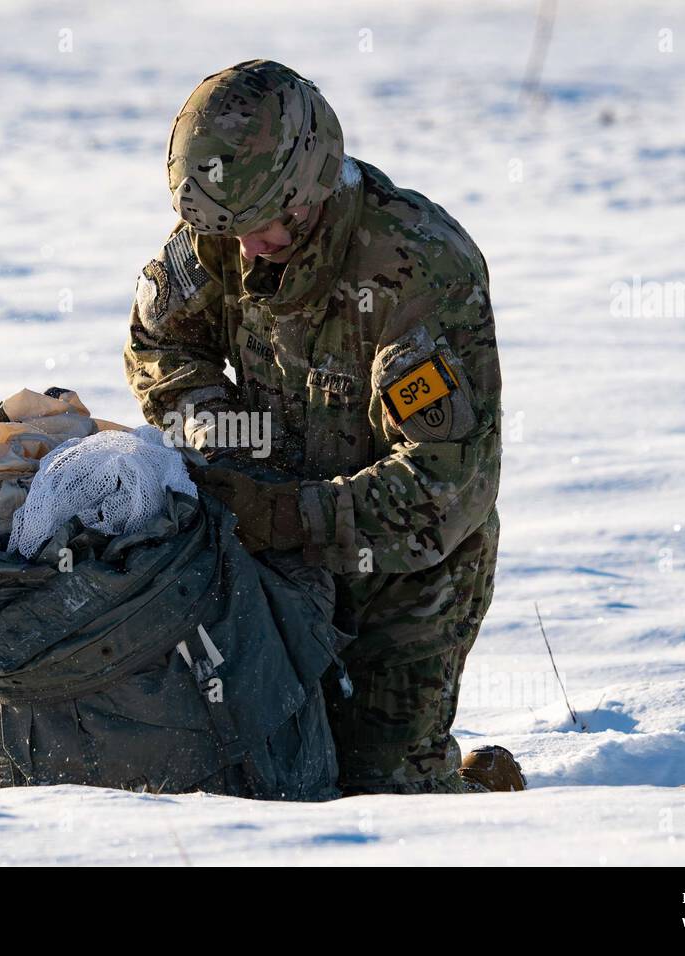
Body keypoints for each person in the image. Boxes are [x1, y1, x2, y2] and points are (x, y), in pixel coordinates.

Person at [125, 60, 516, 794]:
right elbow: (162, 346)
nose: (242, 251)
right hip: (267, 540)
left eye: (257, 228)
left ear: (305, 190)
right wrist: (228, 444)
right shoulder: (229, 221)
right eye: (226, 231)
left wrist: (292, 513)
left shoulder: (417, 269)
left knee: (379, 797)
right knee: (246, 769)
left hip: (404, 567)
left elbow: (447, 485)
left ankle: (475, 788)